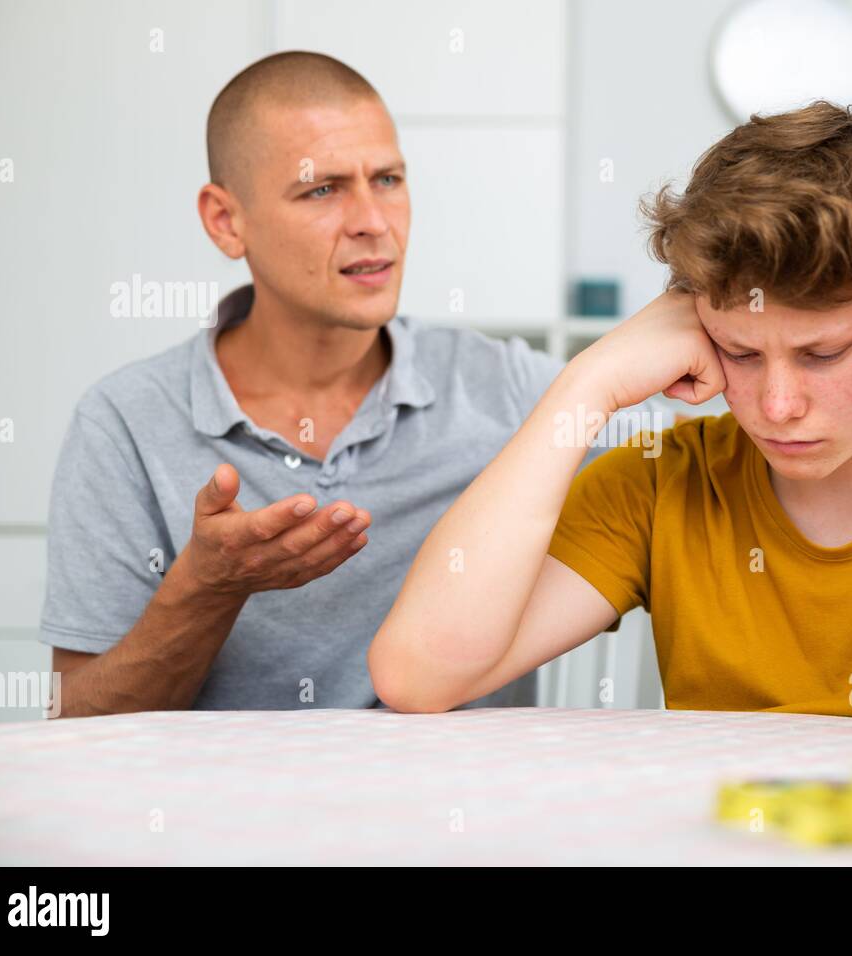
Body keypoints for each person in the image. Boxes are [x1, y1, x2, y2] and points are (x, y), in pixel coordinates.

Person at [370, 102, 852, 756]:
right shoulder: (660, 481)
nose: (777, 405)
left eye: (822, 354)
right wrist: (589, 382)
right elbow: (417, 674)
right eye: (740, 352)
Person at [40, 51, 667, 716]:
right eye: (322, 189)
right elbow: (80, 722)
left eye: (389, 179)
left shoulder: (508, 389)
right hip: (226, 816)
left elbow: (723, 471)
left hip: (463, 813)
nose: (373, 220)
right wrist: (206, 589)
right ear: (227, 222)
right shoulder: (126, 421)